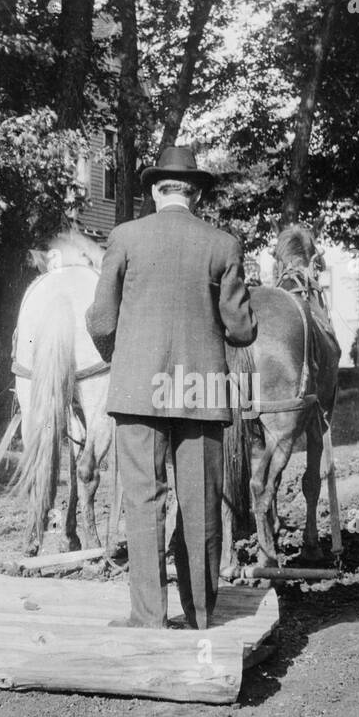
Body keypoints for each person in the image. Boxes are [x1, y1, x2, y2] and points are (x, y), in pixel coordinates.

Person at [86, 146, 256, 629]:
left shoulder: (125, 237)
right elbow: (241, 331)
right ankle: (202, 615)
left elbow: (101, 319)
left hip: (138, 389)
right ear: (195, 193)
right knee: (201, 502)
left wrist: (119, 359)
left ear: (156, 191)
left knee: (143, 500)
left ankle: (148, 618)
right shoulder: (223, 245)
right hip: (200, 390)